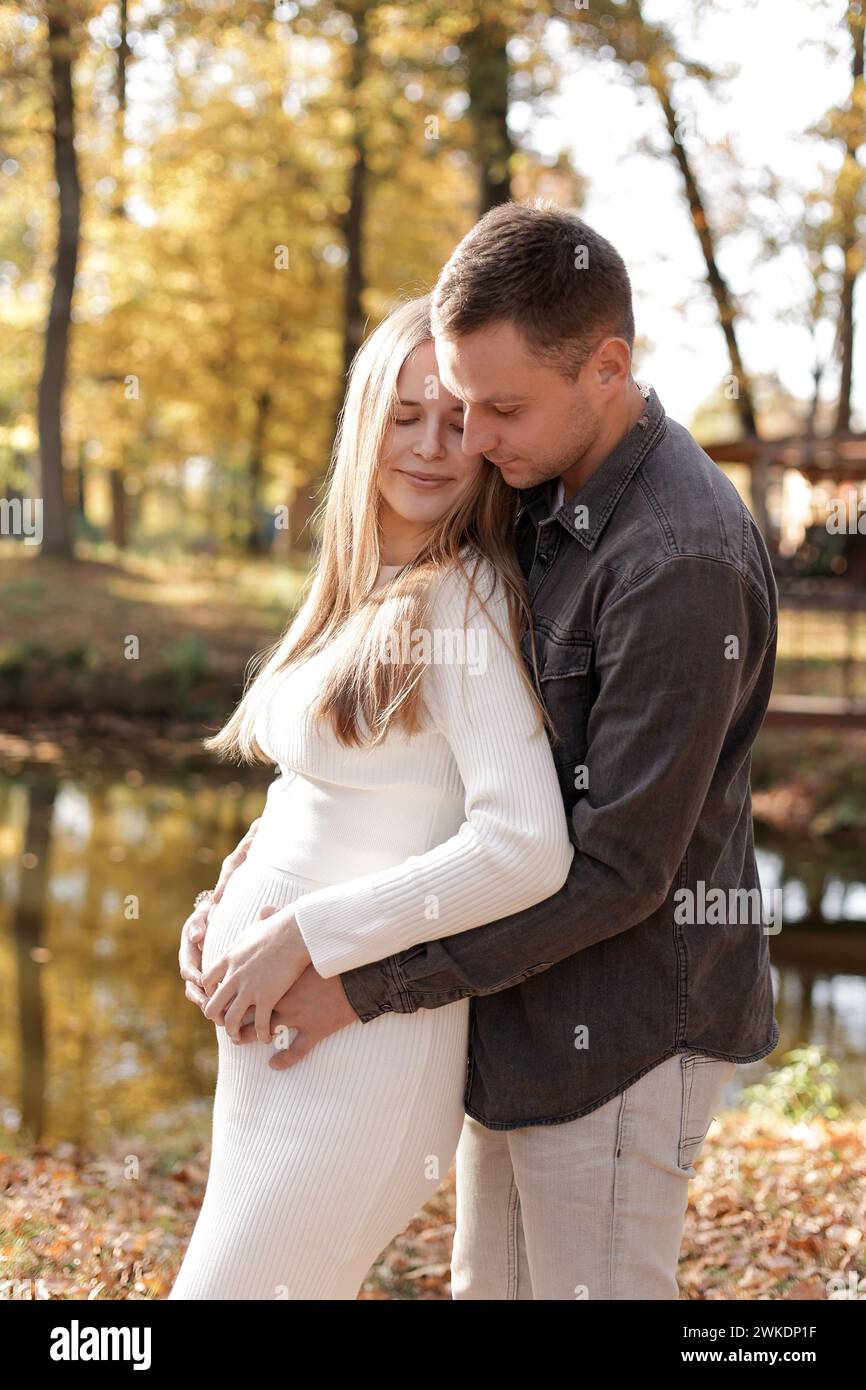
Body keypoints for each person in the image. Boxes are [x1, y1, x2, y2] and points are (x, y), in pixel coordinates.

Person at [182, 202, 780, 1300]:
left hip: (622, 1025)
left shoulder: (675, 557)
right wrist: (245, 890)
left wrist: (363, 980)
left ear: (607, 369)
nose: (469, 441)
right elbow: (409, 782)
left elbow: (611, 866)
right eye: (452, 406)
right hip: (512, 1013)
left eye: (493, 411)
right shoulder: (546, 490)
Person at [168, 291, 574, 1300]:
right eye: (404, 416)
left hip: (361, 1053)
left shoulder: (463, 602)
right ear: (364, 426)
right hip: (276, 1049)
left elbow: (526, 846)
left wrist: (299, 931)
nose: (430, 447)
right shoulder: (358, 587)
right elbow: (325, 787)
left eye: (456, 420)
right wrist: (226, 898)